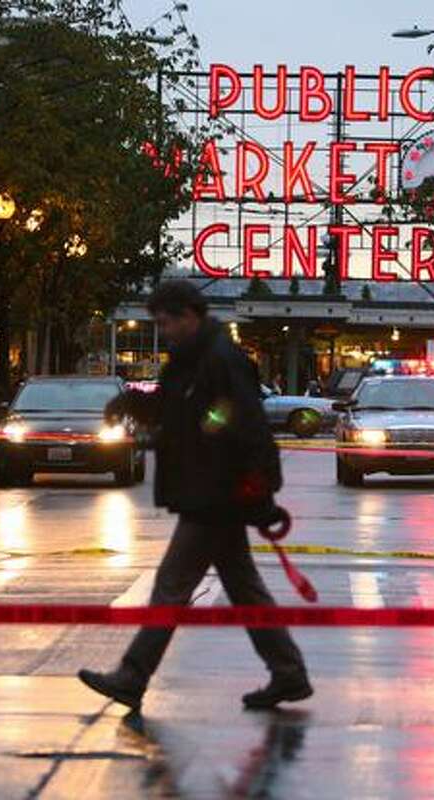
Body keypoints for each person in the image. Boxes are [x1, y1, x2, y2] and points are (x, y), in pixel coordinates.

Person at [78, 281, 312, 711]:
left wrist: (258, 487)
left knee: (171, 585)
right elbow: (179, 412)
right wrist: (133, 404)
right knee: (243, 586)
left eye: (167, 322)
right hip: (209, 490)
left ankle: (133, 675)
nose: (163, 330)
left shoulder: (221, 359)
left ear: (190, 314)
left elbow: (245, 423)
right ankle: (288, 672)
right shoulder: (193, 360)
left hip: (215, 493)